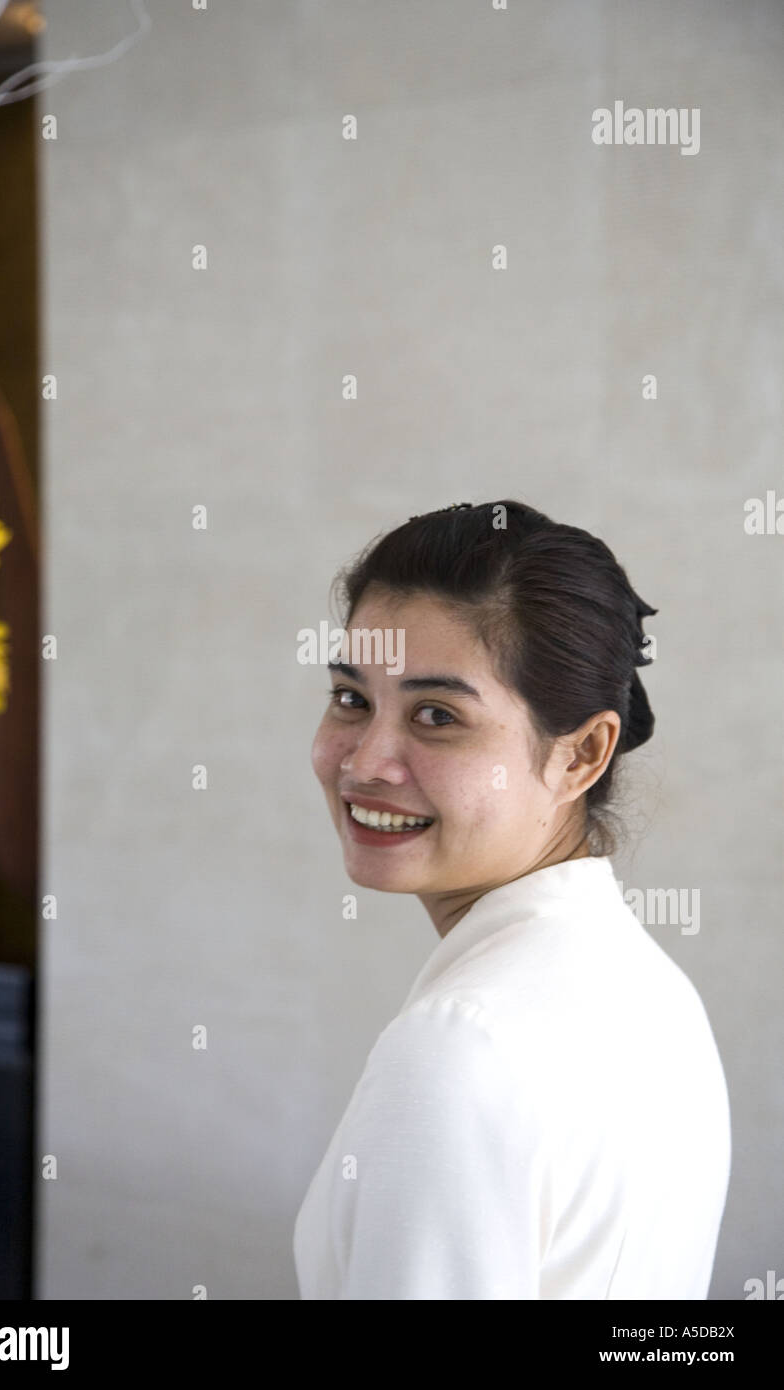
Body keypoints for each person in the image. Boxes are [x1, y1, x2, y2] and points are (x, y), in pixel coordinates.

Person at [293, 499, 731, 1300]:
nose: (364, 762)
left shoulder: (457, 1050)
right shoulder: (657, 993)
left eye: (437, 716)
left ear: (581, 756)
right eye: (352, 698)